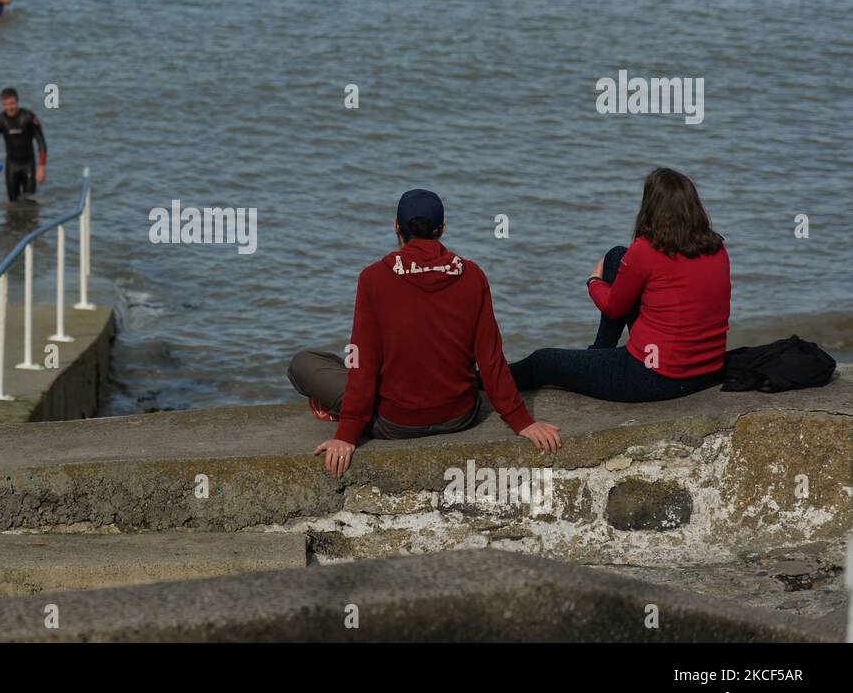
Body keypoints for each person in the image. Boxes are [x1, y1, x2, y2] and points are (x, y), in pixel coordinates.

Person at [288, 189, 562, 477]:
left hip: (395, 424)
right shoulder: (472, 275)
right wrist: (522, 422)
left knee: (304, 363)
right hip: (460, 417)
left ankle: (334, 410)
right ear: (441, 229)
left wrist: (347, 434)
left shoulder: (374, 278)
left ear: (396, 227)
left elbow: (363, 362)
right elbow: (491, 358)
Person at [509, 168, 730, 402]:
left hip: (656, 375)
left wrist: (593, 281)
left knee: (543, 362)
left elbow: (613, 308)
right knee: (617, 255)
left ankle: (482, 381)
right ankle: (601, 351)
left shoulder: (646, 249)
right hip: (706, 371)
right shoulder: (717, 246)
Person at [0, 88, 47, 202]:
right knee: (12, 203)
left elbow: (41, 142)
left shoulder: (29, 117)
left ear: (18, 102)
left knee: (30, 201)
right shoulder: (0, 120)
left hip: (28, 165)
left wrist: (42, 166)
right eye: (6, 104)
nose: (9, 107)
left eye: (12, 103)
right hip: (12, 165)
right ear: (2, 104)